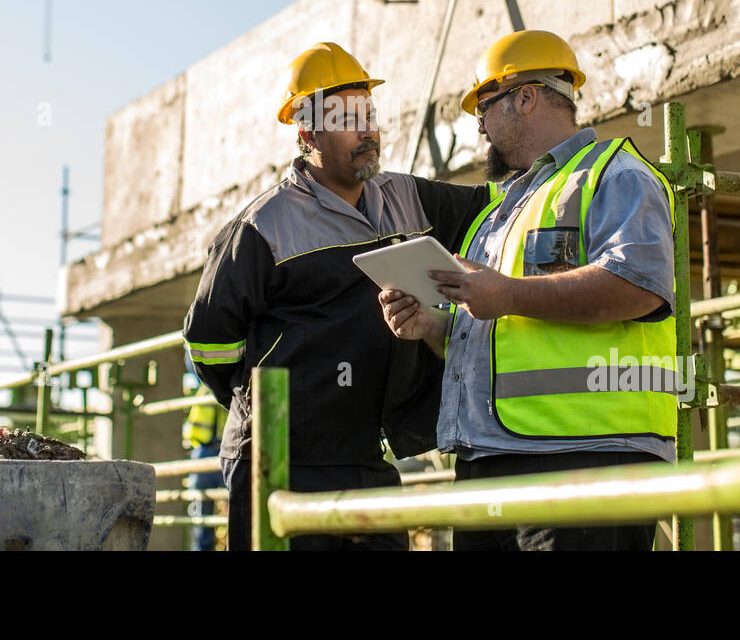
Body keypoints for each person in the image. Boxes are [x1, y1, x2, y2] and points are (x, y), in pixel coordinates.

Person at [379, 29, 678, 551]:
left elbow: (639, 285)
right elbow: (499, 327)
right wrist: (437, 326)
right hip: (490, 458)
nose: (481, 131)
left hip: (586, 462)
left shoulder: (615, 176)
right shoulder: (499, 213)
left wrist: (510, 294)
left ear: (526, 96)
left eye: (485, 109)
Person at [184, 42, 489, 551]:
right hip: (279, 460)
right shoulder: (263, 226)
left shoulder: (407, 197)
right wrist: (271, 405)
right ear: (307, 133)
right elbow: (209, 342)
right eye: (348, 118)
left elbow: (492, 210)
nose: (367, 130)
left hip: (366, 451)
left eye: (369, 114)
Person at [180, 358, 226, 551]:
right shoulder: (203, 379)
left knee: (238, 510)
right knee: (200, 512)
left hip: (229, 450)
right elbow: (192, 361)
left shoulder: (232, 381)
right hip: (204, 449)